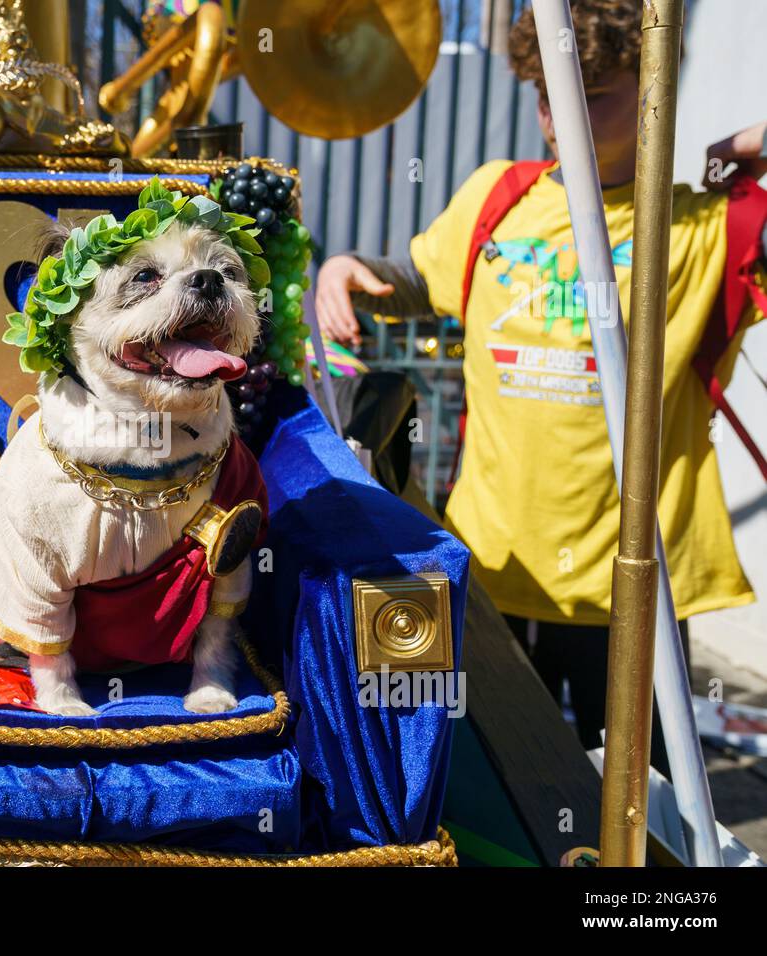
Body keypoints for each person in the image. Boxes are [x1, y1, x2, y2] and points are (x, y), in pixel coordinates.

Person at [313, 0, 766, 772]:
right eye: (549, 95)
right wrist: (344, 269)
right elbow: (411, 283)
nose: (564, 119)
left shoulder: (702, 231)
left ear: (655, 85)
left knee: (637, 814)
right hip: (488, 574)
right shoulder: (499, 196)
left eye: (595, 95)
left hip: (629, 603)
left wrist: (747, 144)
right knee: (495, 798)